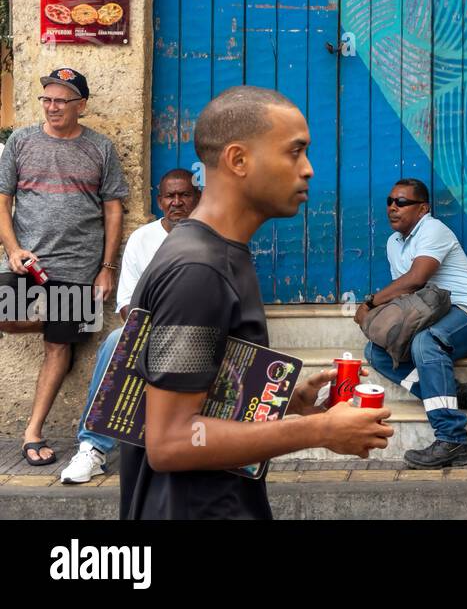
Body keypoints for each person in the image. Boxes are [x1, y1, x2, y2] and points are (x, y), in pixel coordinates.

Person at [120, 85, 393, 520]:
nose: (308, 170)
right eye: (294, 152)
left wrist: (281, 406)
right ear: (238, 160)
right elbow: (169, 441)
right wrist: (317, 430)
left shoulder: (219, 255)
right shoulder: (197, 271)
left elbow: (200, 399)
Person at [0, 68, 127, 467]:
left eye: (62, 101)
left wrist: (107, 267)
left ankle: (32, 431)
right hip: (26, 261)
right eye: (48, 100)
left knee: (58, 347)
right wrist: (13, 248)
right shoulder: (20, 141)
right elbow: (2, 201)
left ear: (81, 106)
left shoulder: (100, 148)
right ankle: (74, 318)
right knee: (6, 317)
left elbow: (113, 209)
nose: (53, 107)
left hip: (78, 266)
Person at [60, 169, 200, 484]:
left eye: (185, 195)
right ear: (159, 199)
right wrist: (149, 332)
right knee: (114, 341)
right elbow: (126, 302)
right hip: (150, 332)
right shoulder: (143, 238)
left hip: (199, 336)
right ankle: (93, 448)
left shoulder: (212, 236)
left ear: (197, 198)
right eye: (169, 196)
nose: (176, 202)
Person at [356, 178, 467, 470]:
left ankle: (452, 439)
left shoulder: (433, 229)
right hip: (432, 316)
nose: (393, 207)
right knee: (377, 352)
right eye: (390, 201)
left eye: (402, 202)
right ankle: (456, 393)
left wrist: (370, 304)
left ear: (423, 208)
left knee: (426, 342)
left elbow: (416, 280)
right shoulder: (394, 243)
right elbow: (410, 298)